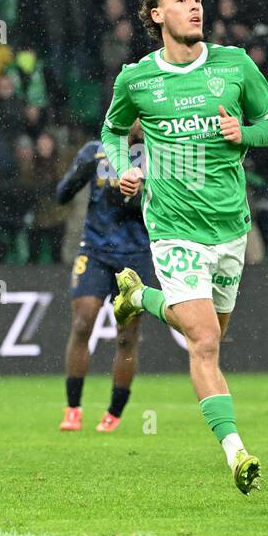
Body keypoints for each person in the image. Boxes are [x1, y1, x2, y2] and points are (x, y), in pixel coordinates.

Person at [101, 0, 268, 494]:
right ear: (157, 15)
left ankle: (141, 299)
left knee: (211, 333)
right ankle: (237, 453)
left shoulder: (235, 65)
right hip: (172, 224)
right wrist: (122, 170)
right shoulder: (136, 79)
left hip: (231, 227)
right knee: (204, 339)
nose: (195, 5)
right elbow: (112, 133)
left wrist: (244, 131)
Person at [54, 120, 155, 433]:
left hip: (136, 253)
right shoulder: (96, 152)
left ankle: (114, 411)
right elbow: (62, 194)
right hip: (96, 249)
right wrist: (78, 174)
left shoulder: (157, 154)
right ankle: (73, 409)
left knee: (126, 335)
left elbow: (163, 204)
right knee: (83, 322)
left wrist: (136, 193)